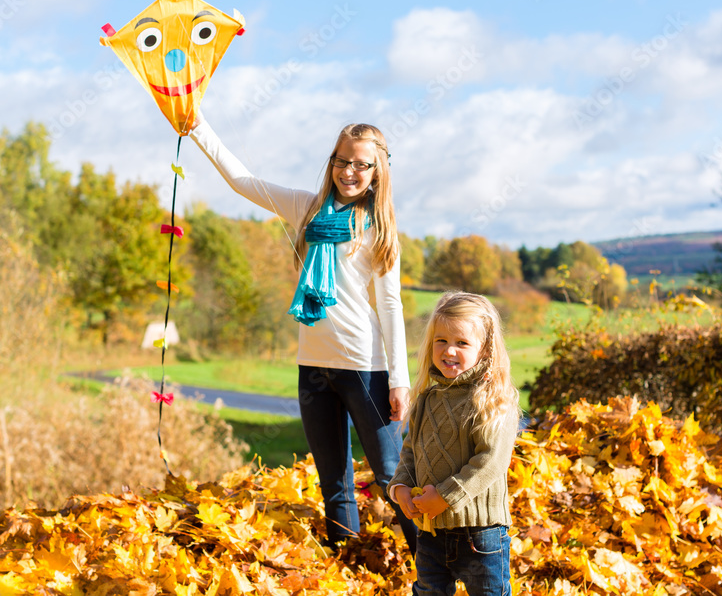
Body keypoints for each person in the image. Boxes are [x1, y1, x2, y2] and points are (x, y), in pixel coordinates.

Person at [188, 113, 417, 552]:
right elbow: (243, 181)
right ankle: (345, 568)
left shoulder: (380, 229)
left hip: (365, 367)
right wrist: (197, 126)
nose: (349, 171)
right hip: (313, 364)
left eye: (361, 164)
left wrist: (400, 380)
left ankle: (432, 576)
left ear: (378, 172)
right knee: (334, 482)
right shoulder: (306, 208)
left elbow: (390, 306)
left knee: (392, 476)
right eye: (341, 160)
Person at [389, 292, 519, 596]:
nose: (449, 350)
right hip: (431, 533)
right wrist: (400, 488)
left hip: (481, 536)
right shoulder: (426, 400)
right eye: (441, 340)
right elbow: (411, 453)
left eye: (462, 343)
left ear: (485, 349)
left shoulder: (492, 400)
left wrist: (445, 496)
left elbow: (491, 461)